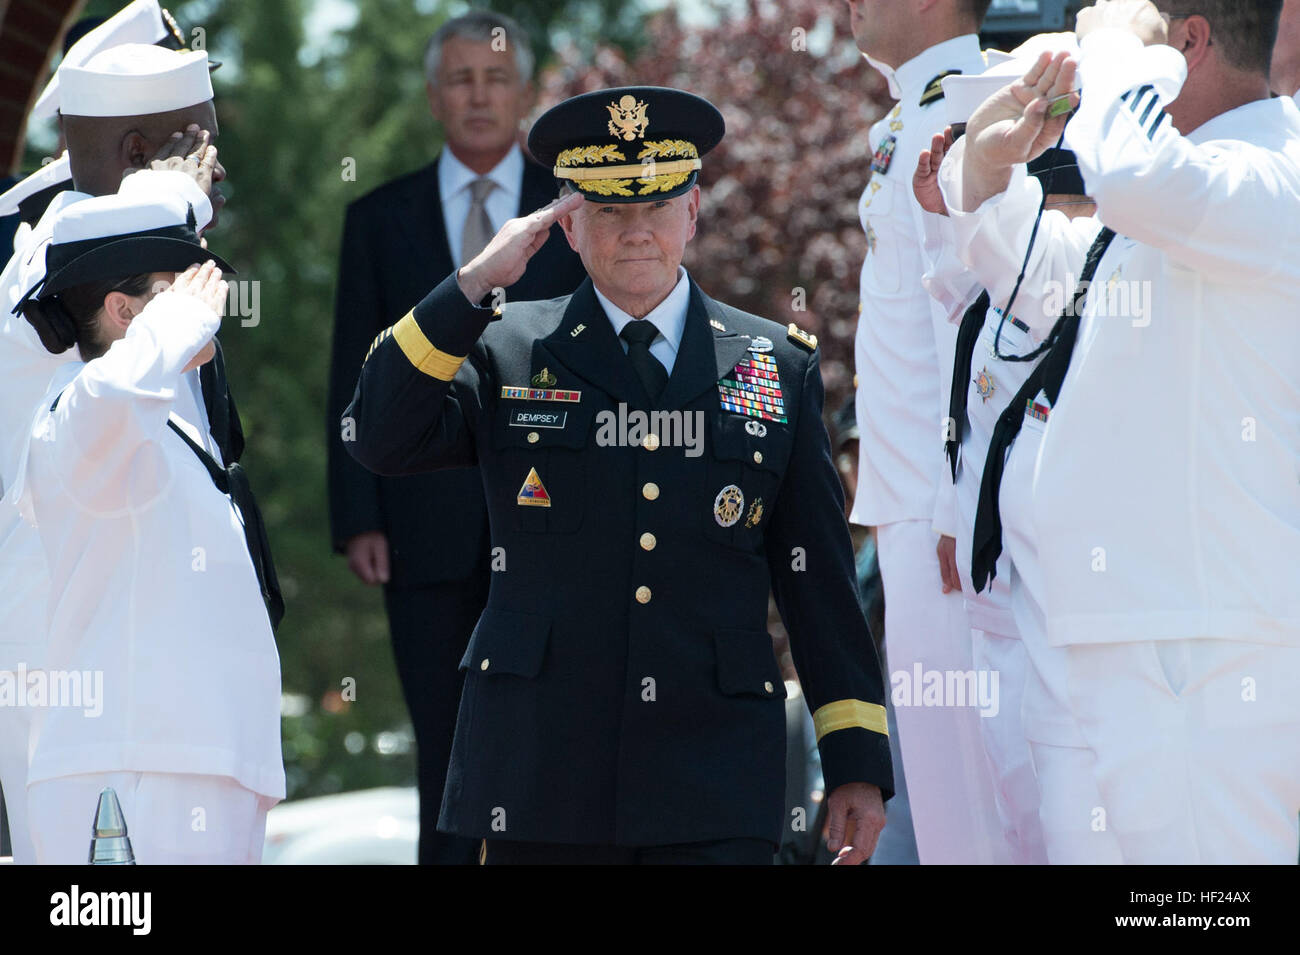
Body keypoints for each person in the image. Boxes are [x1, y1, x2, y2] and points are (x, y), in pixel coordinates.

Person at [344, 86, 892, 864]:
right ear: (567, 225)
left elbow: (820, 586)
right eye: (606, 210)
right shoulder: (507, 350)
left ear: (693, 211)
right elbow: (377, 433)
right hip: (540, 777)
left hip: (715, 776)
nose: (635, 230)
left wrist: (858, 766)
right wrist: (471, 286)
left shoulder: (776, 365)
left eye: (657, 206)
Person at [950, 0, 1300, 863]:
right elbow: (1047, 292)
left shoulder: (1271, 169)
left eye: (1142, 28)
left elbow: (1138, 180)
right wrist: (990, 170)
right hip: (1141, 632)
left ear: (1189, 43)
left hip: (1203, 640)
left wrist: (1113, 53)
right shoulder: (1192, 185)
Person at [327, 11, 585, 866]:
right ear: (436, 98)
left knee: (553, 741)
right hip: (420, 529)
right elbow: (352, 370)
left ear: (527, 94)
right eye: (462, 79)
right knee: (444, 752)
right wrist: (357, 513)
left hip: (554, 526)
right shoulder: (378, 216)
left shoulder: (576, 217)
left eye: (497, 77)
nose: (480, 94)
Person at [0, 7, 242, 866]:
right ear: (142, 157)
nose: (216, 171)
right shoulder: (48, 253)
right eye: (199, 145)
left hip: (153, 684)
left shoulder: (140, 262)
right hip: (87, 684)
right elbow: (74, 254)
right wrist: (174, 194)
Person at [9, 180, 283, 864]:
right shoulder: (74, 413)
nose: (207, 307)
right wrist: (180, 319)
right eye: (179, 287)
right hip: (129, 769)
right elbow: (115, 389)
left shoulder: (170, 429)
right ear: (123, 310)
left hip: (202, 762)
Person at [914, 36, 1123, 864]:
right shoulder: (999, 279)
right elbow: (963, 396)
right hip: (1002, 611)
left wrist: (976, 201)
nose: (977, 137)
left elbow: (1018, 277)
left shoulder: (1086, 265)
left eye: (1004, 119)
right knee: (1015, 820)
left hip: (1079, 636)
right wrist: (947, 512)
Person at [839, 0, 1008, 863]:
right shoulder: (917, 110)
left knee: (969, 812)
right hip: (916, 502)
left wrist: (956, 504)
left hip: (941, 514)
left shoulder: (958, 110)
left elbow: (972, 326)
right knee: (952, 806)